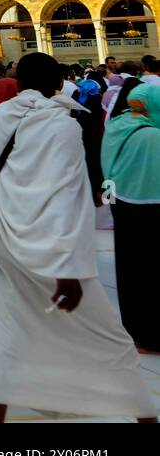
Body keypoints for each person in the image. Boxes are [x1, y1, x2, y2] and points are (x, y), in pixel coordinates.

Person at [0, 52, 155, 423]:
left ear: (18, 85)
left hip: (5, 239)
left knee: (8, 330)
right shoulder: (64, 125)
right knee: (105, 337)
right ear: (58, 85)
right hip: (55, 248)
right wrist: (73, 267)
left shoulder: (1, 116)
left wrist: (6, 207)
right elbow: (70, 196)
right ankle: (145, 417)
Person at [101, 82, 160, 354]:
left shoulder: (118, 123)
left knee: (130, 268)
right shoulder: (150, 135)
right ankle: (152, 336)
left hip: (119, 200)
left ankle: (137, 331)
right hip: (148, 205)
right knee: (150, 271)